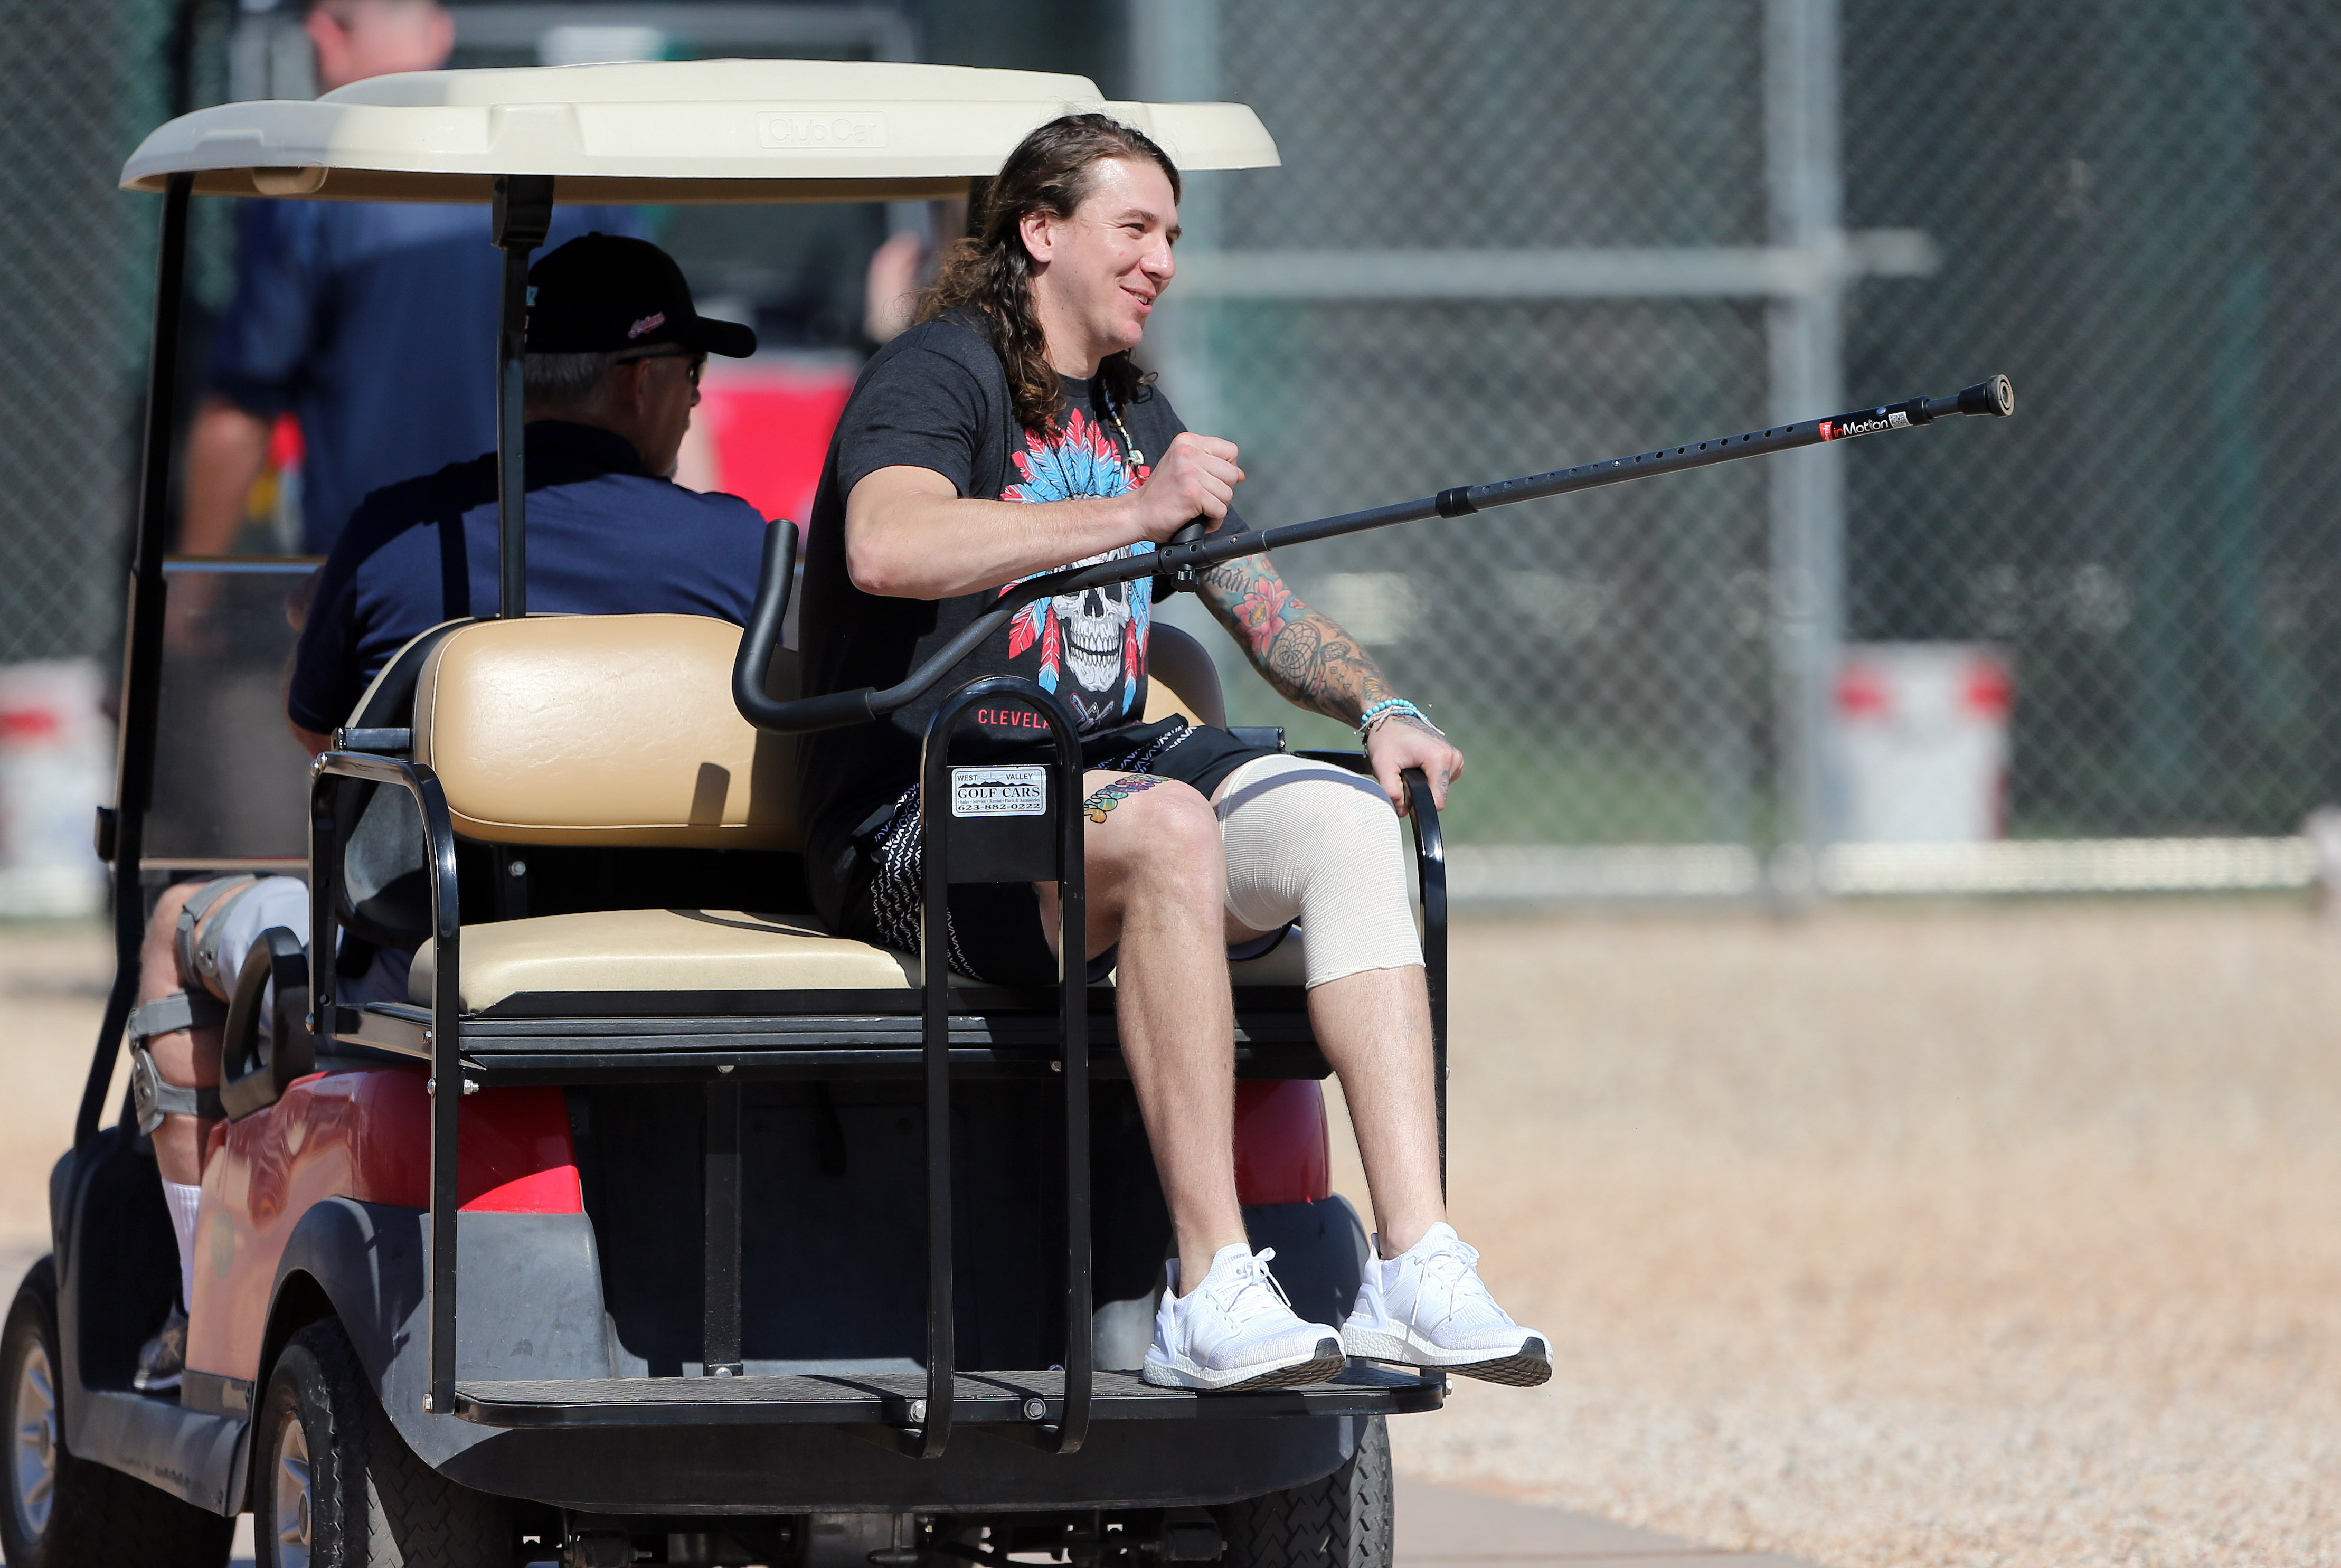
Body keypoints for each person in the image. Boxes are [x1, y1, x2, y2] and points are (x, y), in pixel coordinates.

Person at [798, 116, 1552, 1392]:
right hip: (925, 815)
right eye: (1135, 229)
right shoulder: (936, 373)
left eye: (1173, 236)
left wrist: (1380, 705)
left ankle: (1414, 1262)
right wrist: (1132, 513)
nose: (1162, 261)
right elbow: (887, 546)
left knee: (1347, 824)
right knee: (1164, 828)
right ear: (1041, 231)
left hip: (1107, 781)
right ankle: (1209, 1288)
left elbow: (1260, 606)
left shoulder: (1132, 407)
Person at [128, 233, 766, 1392]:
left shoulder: (396, 534)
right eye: (691, 375)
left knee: (178, 921)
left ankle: (192, 1330)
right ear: (638, 384)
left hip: (425, 963)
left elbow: (321, 733)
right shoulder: (742, 551)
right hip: (694, 958)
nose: (694, 402)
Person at [180, 0, 643, 571]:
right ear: (438, 31)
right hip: (564, 569)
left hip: (381, 574)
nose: (313, 36)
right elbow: (653, 375)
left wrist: (190, 590)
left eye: (335, 21)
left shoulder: (310, 185)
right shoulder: (572, 171)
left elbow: (243, 406)